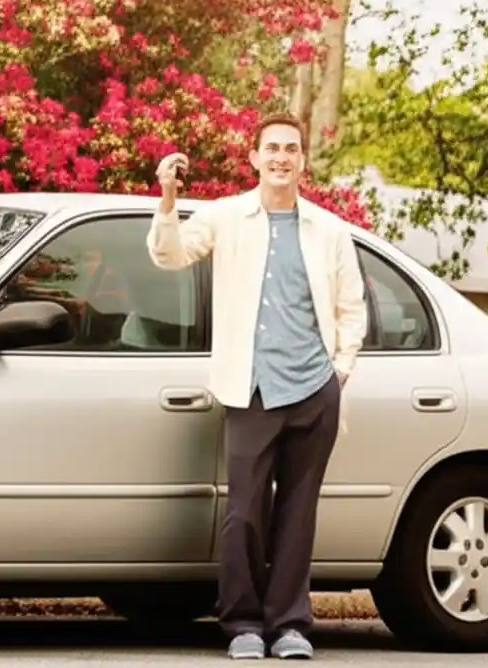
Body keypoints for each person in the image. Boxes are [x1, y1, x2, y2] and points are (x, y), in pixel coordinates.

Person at [145, 113, 367, 660]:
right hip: (251, 392)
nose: (281, 158)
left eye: (291, 149)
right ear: (254, 158)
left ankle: (290, 625)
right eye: (272, 148)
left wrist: (338, 372)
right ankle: (243, 623)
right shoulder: (227, 217)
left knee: (297, 514)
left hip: (313, 391)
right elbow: (169, 254)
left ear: (303, 160)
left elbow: (351, 307)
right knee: (244, 512)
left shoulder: (329, 231)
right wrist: (168, 199)